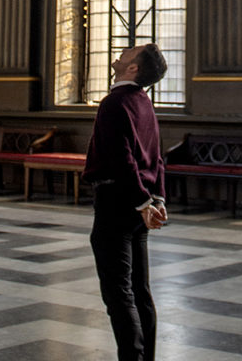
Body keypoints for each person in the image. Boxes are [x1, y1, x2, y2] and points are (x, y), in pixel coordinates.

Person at [83, 42, 169, 361]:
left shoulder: (114, 103)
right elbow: (156, 158)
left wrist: (145, 203)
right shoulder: (143, 102)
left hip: (116, 203)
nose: (121, 53)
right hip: (137, 205)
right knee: (140, 290)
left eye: (130, 53)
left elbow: (123, 160)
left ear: (133, 68)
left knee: (119, 294)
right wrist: (154, 199)